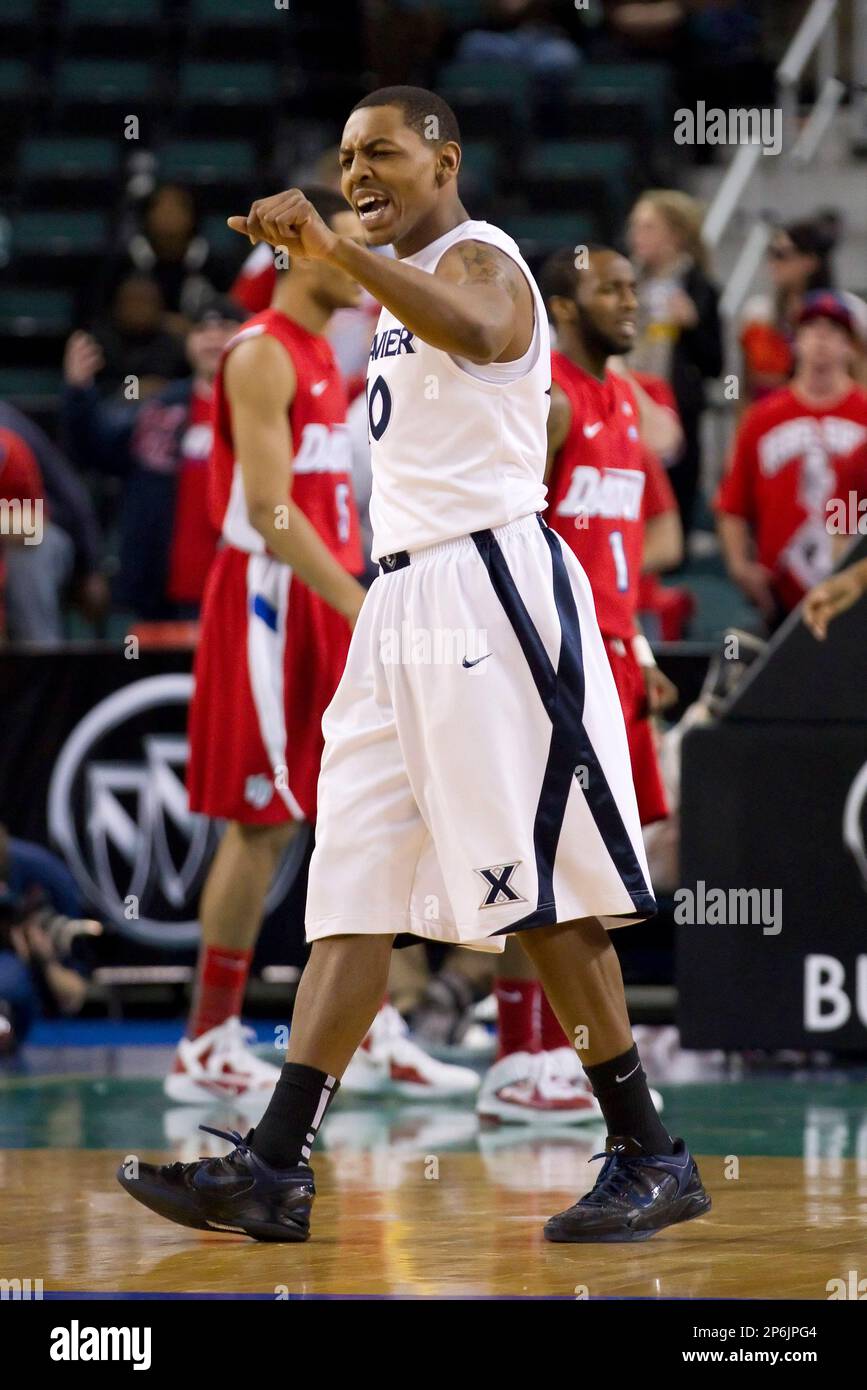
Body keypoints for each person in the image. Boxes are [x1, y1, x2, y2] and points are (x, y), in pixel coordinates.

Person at [118, 86, 710, 1245]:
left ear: (445, 159)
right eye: (343, 158)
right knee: (351, 884)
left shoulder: (488, 259)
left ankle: (650, 1149)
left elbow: (487, 335)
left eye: (380, 152)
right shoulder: (381, 296)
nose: (357, 174)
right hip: (398, 597)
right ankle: (275, 1166)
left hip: (487, 584)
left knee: (530, 884)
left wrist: (336, 246)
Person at [163, 187, 475, 1107]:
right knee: (259, 820)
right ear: (294, 260)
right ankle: (208, 1039)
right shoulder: (260, 352)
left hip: (327, 594)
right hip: (271, 595)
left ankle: (363, 1027)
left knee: (351, 811)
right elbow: (269, 509)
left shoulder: (322, 361)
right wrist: (359, 601)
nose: (351, 259)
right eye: (332, 247)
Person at [476, 243, 683, 1123]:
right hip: (551, 659)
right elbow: (512, 537)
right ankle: (518, 1056)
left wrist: (632, 637)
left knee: (590, 870)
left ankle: (551, 1054)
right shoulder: (549, 401)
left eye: (634, 287)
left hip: (610, 656)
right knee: (541, 859)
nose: (629, 302)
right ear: (562, 306)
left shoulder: (626, 402)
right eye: (610, 289)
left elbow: (622, 545)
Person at [62, 297, 247, 620]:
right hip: (160, 595)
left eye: (226, 327)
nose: (214, 337)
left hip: (244, 590)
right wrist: (79, 392)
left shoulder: (267, 409)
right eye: (203, 328)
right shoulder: (160, 408)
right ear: (189, 341)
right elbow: (95, 451)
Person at [716, 291, 867, 629]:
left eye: (834, 331)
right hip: (780, 594)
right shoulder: (762, 418)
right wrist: (741, 567)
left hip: (856, 591)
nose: (822, 339)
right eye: (811, 329)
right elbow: (732, 504)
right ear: (795, 342)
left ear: (849, 346)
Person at [627, 189, 722, 534]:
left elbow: (716, 364)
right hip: (628, 403)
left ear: (676, 235)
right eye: (635, 226)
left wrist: (693, 326)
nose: (637, 235)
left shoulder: (700, 288)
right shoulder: (622, 282)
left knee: (672, 507)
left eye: (649, 227)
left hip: (677, 409)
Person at [739, 217, 836, 407]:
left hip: (823, 414)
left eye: (781, 254)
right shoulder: (756, 313)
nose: (773, 262)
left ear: (810, 262)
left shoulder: (842, 313)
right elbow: (735, 375)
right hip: (766, 414)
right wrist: (736, 413)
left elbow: (860, 373)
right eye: (771, 253)